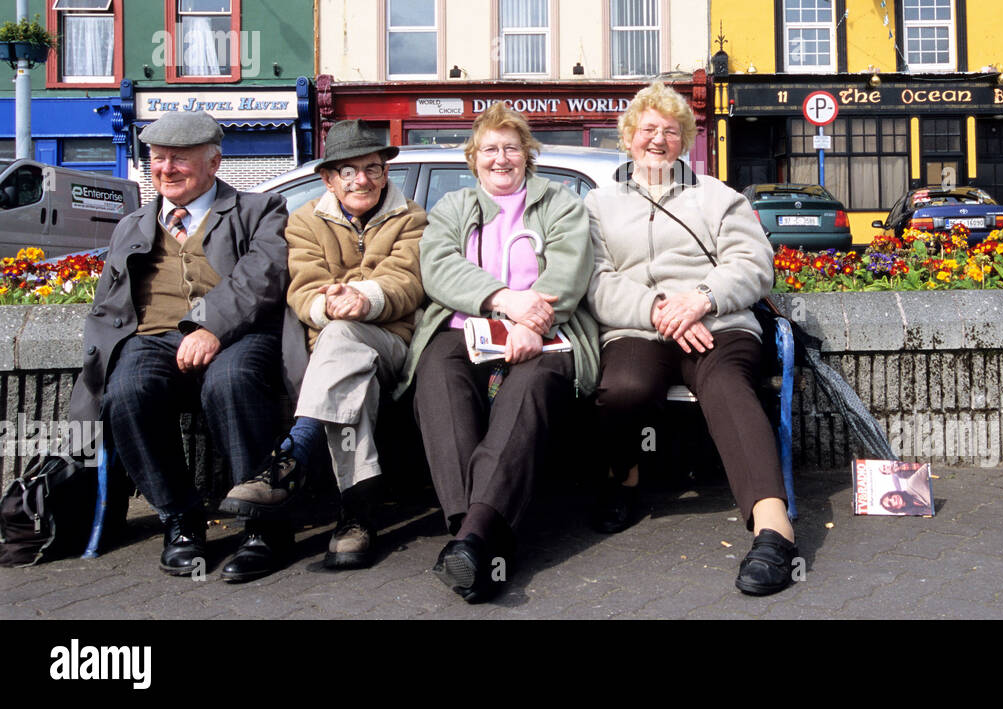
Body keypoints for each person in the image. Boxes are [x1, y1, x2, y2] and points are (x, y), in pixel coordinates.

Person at [584, 81, 798, 596]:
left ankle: (774, 529)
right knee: (624, 389)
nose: (658, 140)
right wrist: (659, 309)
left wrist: (700, 299)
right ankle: (626, 477)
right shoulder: (598, 203)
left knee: (728, 389)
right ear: (628, 136)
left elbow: (753, 265)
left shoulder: (719, 196)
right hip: (639, 324)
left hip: (717, 324)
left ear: (686, 141)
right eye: (648, 129)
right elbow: (594, 278)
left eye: (671, 131)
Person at [68, 111, 288, 581]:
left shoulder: (259, 209)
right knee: (127, 393)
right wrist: (101, 358)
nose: (166, 169)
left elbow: (261, 279)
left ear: (213, 163)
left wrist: (208, 326)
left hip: (238, 334)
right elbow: (109, 303)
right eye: (158, 159)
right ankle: (182, 520)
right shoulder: (132, 223)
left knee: (233, 381)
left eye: (180, 160)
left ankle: (262, 526)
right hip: (154, 337)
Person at [404, 104, 599, 603]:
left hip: (546, 328)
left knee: (531, 385)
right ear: (474, 159)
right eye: (489, 149)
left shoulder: (561, 203)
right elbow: (439, 266)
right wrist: (503, 300)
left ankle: (472, 538)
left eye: (511, 148)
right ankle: (479, 530)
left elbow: (570, 270)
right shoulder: (453, 207)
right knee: (438, 375)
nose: (501, 158)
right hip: (465, 325)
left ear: (527, 155)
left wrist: (535, 322)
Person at [220, 120, 427, 573]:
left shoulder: (411, 217)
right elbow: (302, 289)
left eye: (372, 168)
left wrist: (361, 298)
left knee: (342, 342)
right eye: (348, 171)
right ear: (328, 179)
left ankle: (291, 456)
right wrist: (330, 304)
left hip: (390, 342)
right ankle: (357, 519)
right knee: (353, 381)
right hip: (336, 354)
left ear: (385, 171)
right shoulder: (306, 220)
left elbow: (407, 281)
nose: (362, 180)